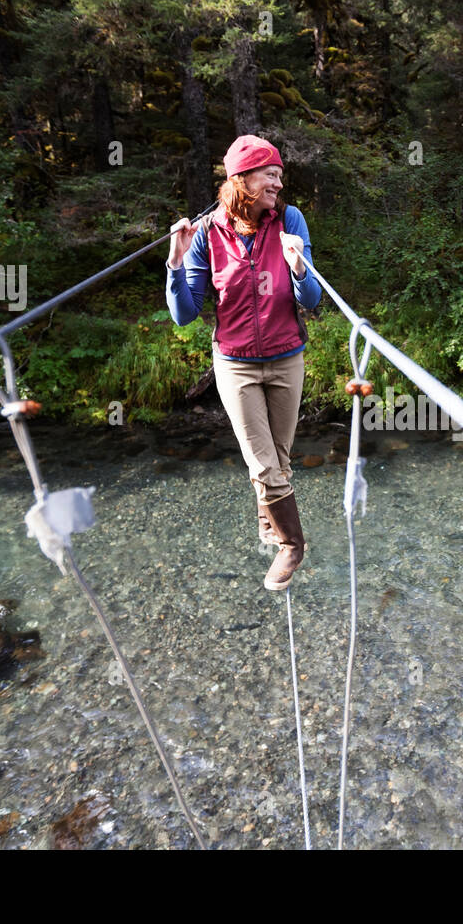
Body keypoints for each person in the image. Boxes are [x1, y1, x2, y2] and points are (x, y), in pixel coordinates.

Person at [165, 135, 322, 590]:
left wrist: (297, 268)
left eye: (279, 174)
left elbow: (310, 299)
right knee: (263, 464)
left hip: (287, 355)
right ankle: (293, 543)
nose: (278, 181)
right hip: (235, 364)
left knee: (280, 461)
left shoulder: (290, 219)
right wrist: (176, 263)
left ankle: (269, 522)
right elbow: (184, 314)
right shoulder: (207, 235)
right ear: (242, 178)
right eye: (269, 173)